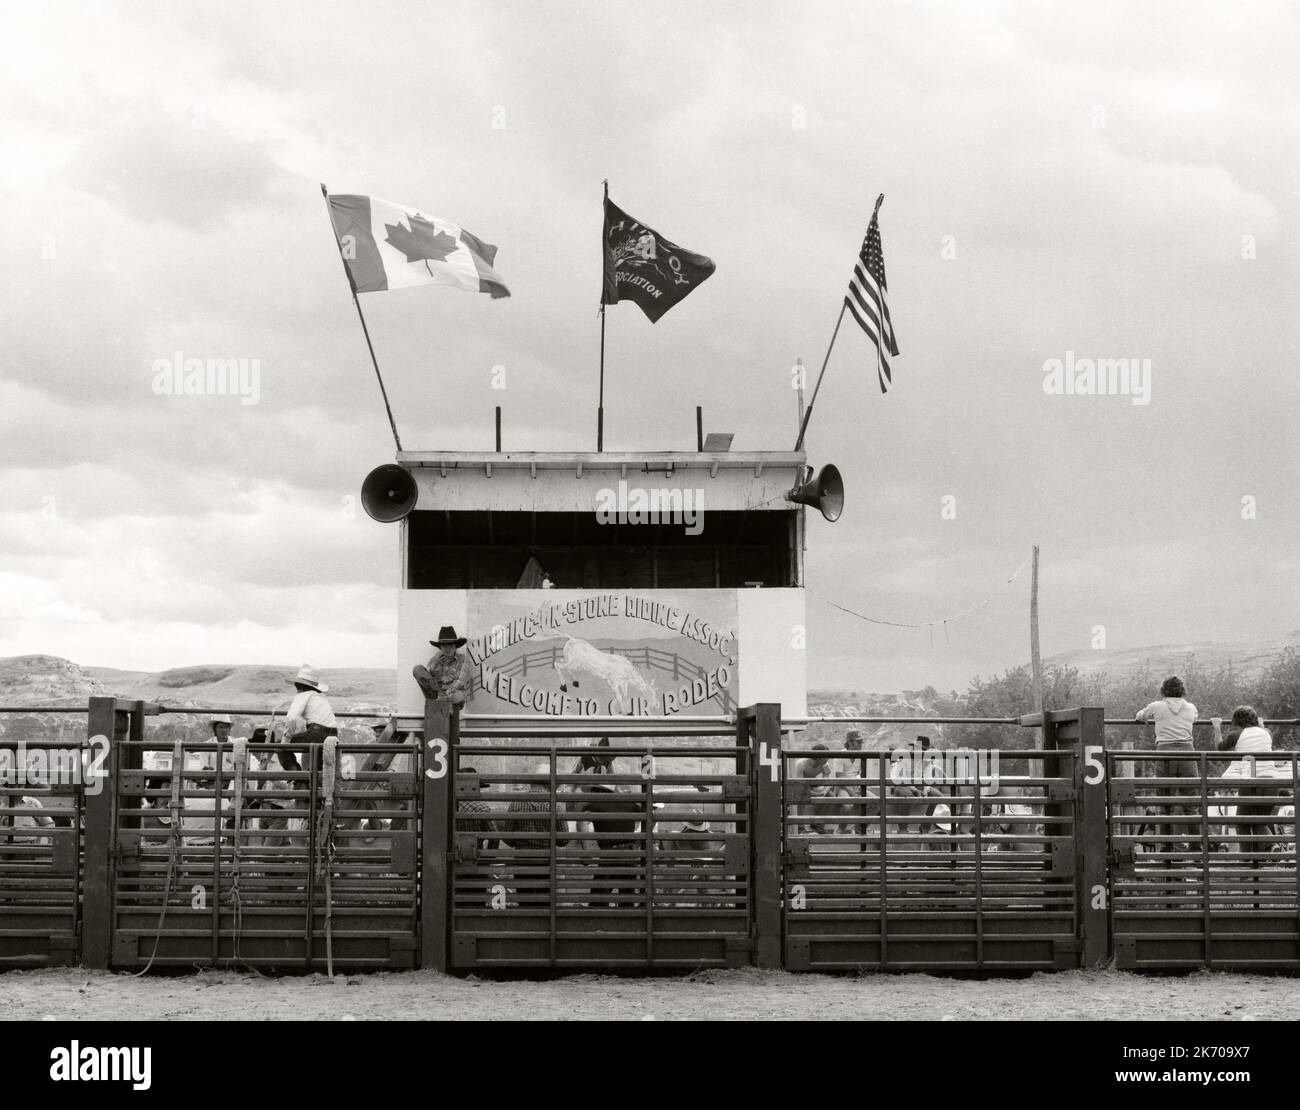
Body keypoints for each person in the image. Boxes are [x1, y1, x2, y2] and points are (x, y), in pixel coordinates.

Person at [1135, 676, 1202, 854]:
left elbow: (1140, 716)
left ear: (1163, 690)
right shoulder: (1190, 707)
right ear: (1183, 691)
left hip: (1165, 751)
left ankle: (1167, 846)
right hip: (1188, 751)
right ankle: (1197, 846)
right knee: (1191, 801)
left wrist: (1148, 718)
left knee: (1165, 800)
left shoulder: (1156, 706)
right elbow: (1195, 718)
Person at [1213, 706, 1282, 856]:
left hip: (1251, 783)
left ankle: (1249, 858)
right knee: (1260, 821)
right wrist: (1262, 725)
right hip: (1271, 783)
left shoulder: (1236, 735)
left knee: (1242, 822)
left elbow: (1219, 748)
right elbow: (1264, 735)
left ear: (1235, 722)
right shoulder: (1267, 732)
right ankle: (1267, 851)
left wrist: (1217, 726)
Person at [412, 626, 474, 708]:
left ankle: (442, 700)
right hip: (437, 693)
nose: (447, 649)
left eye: (450, 645)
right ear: (440, 647)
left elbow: (460, 682)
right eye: (444, 646)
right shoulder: (436, 660)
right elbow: (426, 677)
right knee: (417, 669)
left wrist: (447, 694)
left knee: (457, 696)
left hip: (453, 694)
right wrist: (436, 658)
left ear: (455, 646)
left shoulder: (463, 660)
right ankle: (440, 699)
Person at [794, 744, 835, 834]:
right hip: (799, 786)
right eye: (826, 756)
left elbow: (827, 779)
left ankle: (818, 825)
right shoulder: (801, 764)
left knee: (831, 795)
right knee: (800, 795)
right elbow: (799, 784)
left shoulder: (824, 764)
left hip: (812, 784)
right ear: (819, 757)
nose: (828, 759)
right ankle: (800, 827)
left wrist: (825, 790)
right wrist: (814, 794)